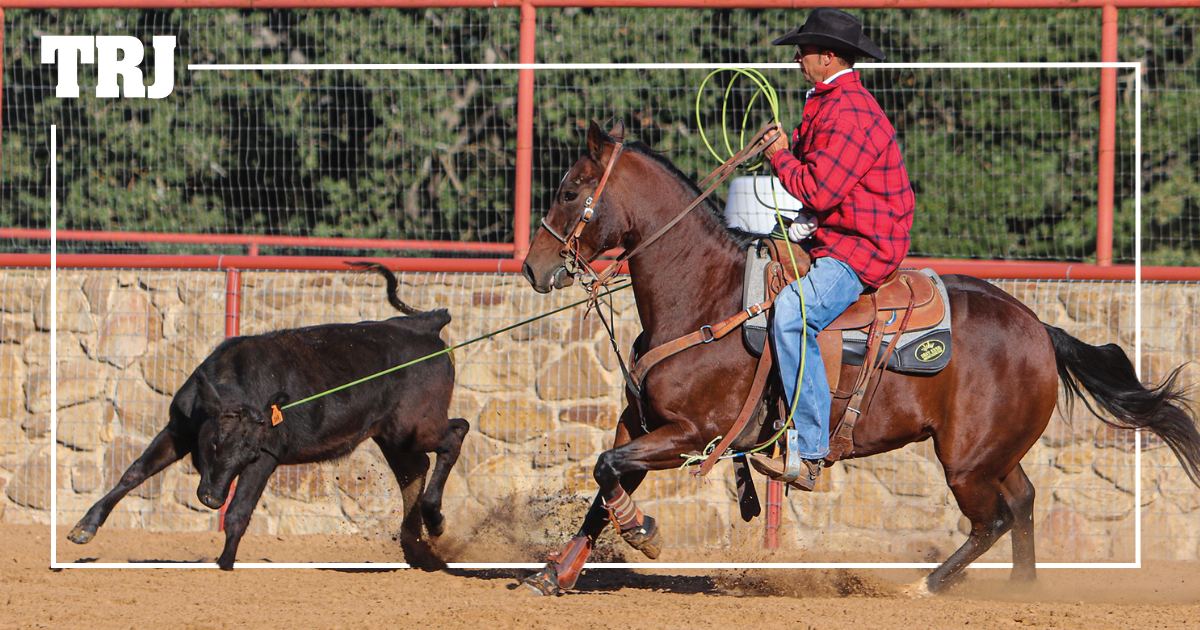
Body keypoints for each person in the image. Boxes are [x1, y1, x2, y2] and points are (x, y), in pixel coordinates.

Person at [751, 8, 915, 491]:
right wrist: (788, 149)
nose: (798, 58)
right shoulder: (828, 101)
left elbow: (819, 190)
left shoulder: (849, 112)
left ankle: (811, 448)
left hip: (862, 247)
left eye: (803, 51)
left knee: (791, 314)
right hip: (835, 234)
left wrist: (779, 156)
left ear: (827, 56)